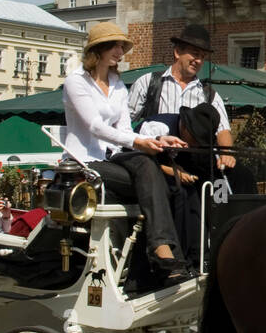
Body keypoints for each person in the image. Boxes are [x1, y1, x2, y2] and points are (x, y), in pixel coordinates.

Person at [62, 21, 191, 285]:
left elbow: (123, 128)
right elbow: (95, 127)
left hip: (111, 158)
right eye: (115, 45)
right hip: (84, 161)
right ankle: (164, 254)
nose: (120, 51)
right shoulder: (76, 82)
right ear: (98, 49)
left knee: (158, 174)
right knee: (150, 171)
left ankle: (157, 259)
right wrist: (141, 143)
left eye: (122, 46)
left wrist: (156, 139)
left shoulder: (118, 84)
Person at [128, 23, 234, 172]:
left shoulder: (209, 94)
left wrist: (226, 154)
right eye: (195, 54)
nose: (198, 61)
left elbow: (223, 130)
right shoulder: (148, 82)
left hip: (193, 164)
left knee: (234, 177)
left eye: (202, 57)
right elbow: (124, 123)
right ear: (177, 52)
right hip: (157, 162)